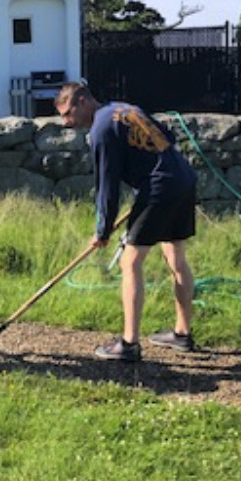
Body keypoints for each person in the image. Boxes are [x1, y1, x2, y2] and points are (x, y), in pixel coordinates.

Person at [54, 81, 198, 362]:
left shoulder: (101, 129)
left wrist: (102, 230)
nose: (67, 123)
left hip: (159, 187)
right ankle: (182, 335)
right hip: (182, 177)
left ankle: (129, 344)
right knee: (175, 257)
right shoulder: (124, 109)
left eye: (68, 114)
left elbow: (106, 186)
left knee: (130, 263)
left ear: (82, 101)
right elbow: (167, 135)